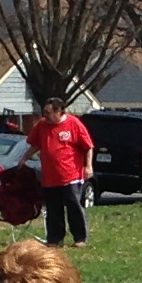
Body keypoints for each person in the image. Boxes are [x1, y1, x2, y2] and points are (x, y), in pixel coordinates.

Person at [27, 91, 94, 248]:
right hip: (50, 177)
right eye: (44, 113)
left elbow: (88, 146)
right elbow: (36, 143)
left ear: (59, 112)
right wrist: (24, 158)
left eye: (49, 113)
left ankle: (80, 238)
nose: (46, 116)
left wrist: (88, 166)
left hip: (71, 175)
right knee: (53, 209)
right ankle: (55, 239)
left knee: (73, 205)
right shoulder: (42, 125)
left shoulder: (74, 124)